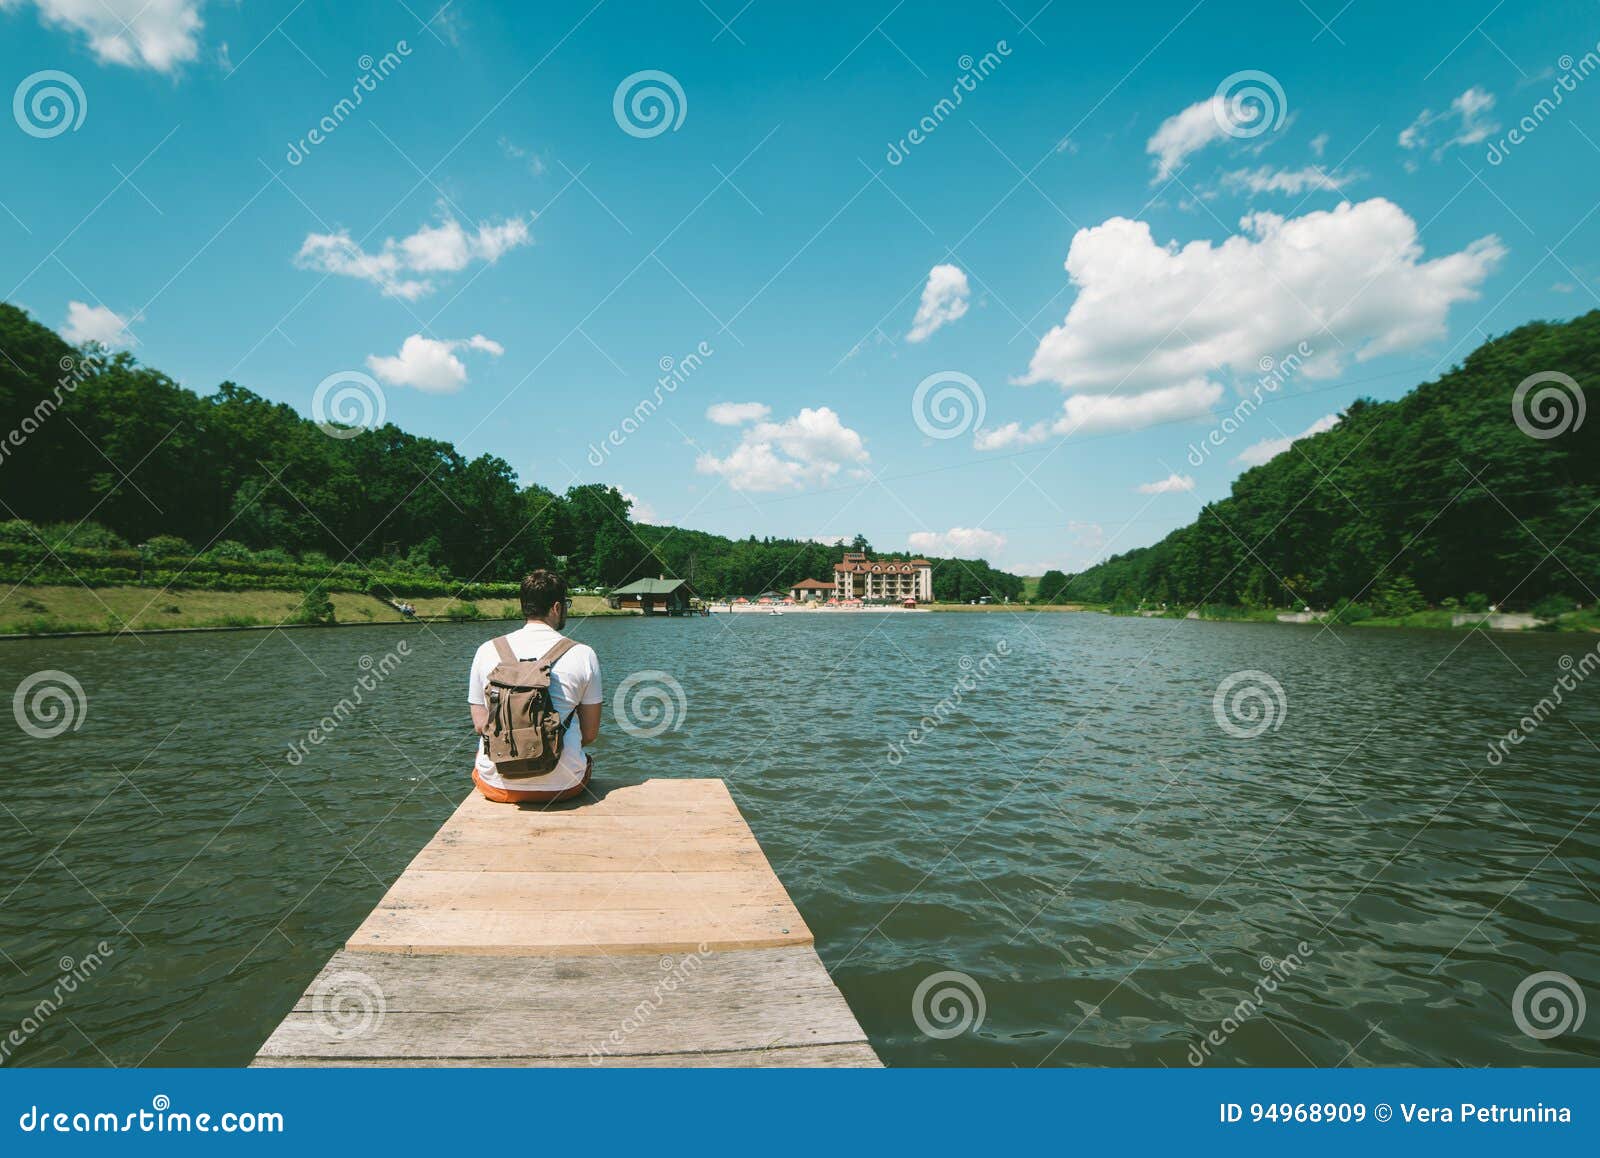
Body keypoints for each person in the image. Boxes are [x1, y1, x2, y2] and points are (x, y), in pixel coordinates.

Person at [467, 570, 601, 803]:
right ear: (557, 607)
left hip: (497, 786)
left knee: (481, 760)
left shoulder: (486, 649)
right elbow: (589, 734)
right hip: (563, 786)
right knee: (584, 758)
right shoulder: (583, 653)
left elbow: (481, 726)